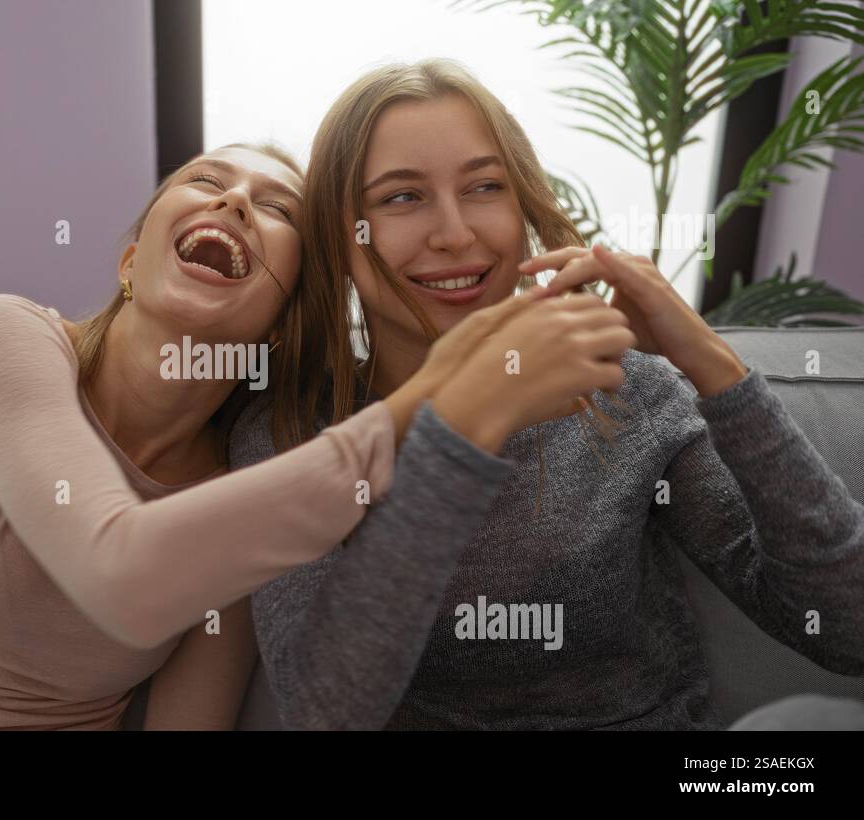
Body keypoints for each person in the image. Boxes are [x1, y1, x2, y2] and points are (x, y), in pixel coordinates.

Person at [0, 140, 619, 730]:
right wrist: (438, 397)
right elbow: (120, 570)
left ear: (287, 317)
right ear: (128, 260)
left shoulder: (238, 499)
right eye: (207, 180)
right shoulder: (2, 339)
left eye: (275, 206)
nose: (233, 201)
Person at [233, 59, 864, 730]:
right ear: (340, 236)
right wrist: (464, 429)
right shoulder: (291, 429)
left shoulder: (628, 391)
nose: (454, 232)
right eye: (401, 197)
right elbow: (323, 713)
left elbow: (847, 629)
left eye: (483, 187)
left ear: (521, 203)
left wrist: (710, 361)